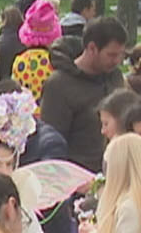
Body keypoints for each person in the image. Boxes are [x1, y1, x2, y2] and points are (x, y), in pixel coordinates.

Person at [42, 18, 129, 172]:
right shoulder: (60, 85)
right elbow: (51, 141)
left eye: (120, 55)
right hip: (78, 176)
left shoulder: (115, 77)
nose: (117, 61)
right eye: (111, 55)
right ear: (92, 48)